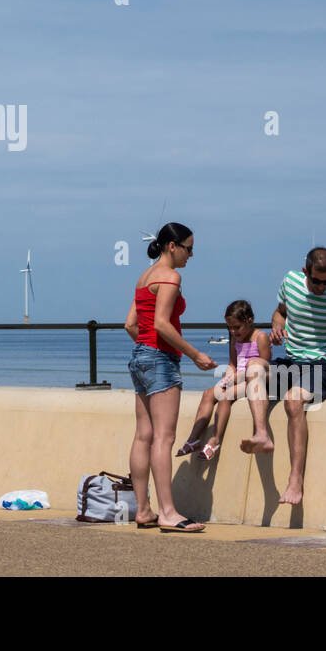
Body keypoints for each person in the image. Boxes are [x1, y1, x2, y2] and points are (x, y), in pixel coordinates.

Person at [123, 223, 216, 533]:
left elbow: (130, 325)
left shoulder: (144, 277)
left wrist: (146, 347)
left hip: (140, 357)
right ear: (172, 246)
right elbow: (163, 324)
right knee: (163, 437)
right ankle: (168, 513)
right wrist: (195, 355)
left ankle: (144, 510)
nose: (191, 255)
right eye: (188, 248)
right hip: (160, 360)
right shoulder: (171, 277)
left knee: (143, 436)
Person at [267, 247, 326, 504]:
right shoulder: (291, 282)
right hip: (290, 362)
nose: (322, 287)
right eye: (316, 281)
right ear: (305, 271)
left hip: (322, 368)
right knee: (249, 377)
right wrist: (277, 325)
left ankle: (295, 481)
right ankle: (259, 435)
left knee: (293, 400)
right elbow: (280, 312)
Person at [177, 300, 274, 460]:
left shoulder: (260, 337)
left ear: (249, 321)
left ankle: (214, 440)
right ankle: (193, 439)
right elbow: (233, 364)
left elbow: (265, 367)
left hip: (254, 381)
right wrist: (227, 377)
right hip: (237, 378)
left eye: (237, 327)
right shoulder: (235, 338)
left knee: (225, 396)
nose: (233, 331)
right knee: (208, 394)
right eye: (230, 327)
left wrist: (237, 379)